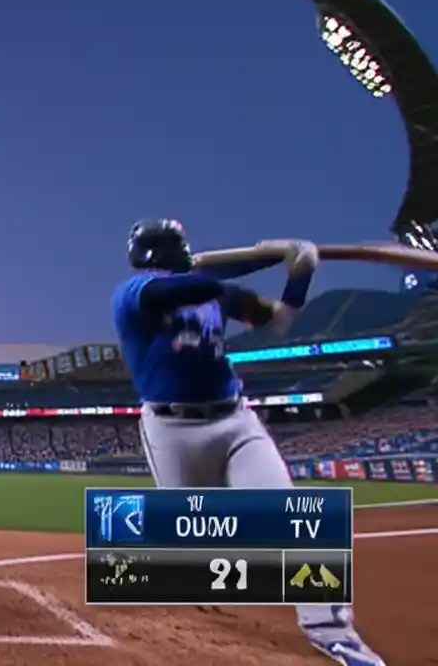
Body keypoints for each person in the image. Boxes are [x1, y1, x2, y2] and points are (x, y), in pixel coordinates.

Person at [112, 218, 384, 666]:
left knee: (291, 515)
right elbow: (179, 291)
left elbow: (278, 321)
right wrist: (266, 259)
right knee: (195, 544)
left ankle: (331, 629)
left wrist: (299, 274)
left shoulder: (209, 290)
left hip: (235, 420)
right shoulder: (132, 294)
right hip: (172, 430)